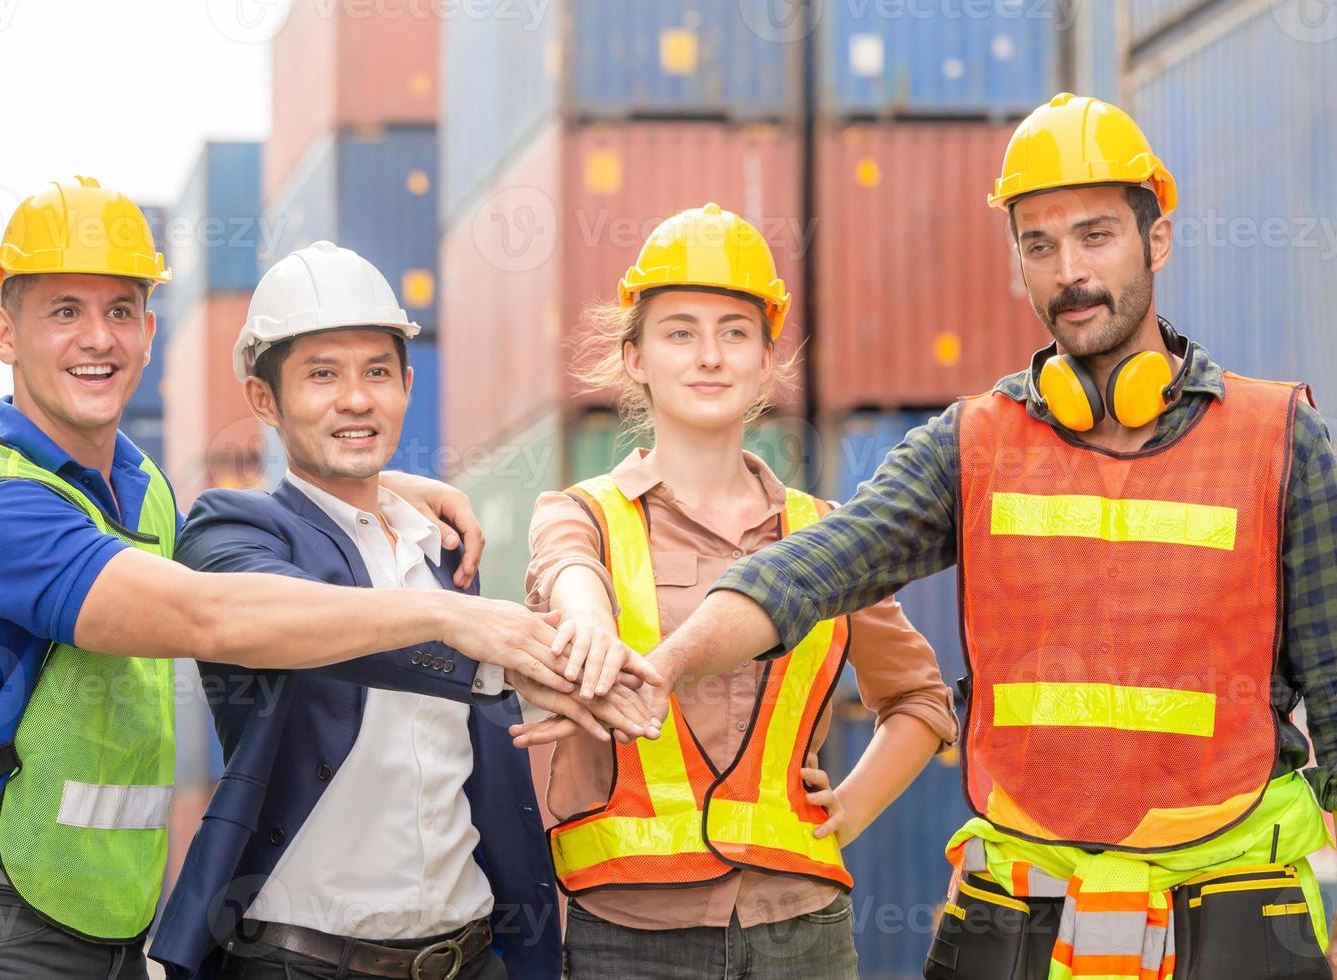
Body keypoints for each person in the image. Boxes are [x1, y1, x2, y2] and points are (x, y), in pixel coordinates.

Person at [530, 95, 1337, 980]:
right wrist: (671, 665)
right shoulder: (970, 445)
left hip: (1233, 919)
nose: (1069, 271)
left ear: (1158, 239)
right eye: (1038, 243)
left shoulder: (1279, 441)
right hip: (1023, 918)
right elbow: (812, 572)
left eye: (1095, 236)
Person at [0, 179, 604, 980]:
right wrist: (449, 616)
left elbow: (277, 543)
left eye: (120, 311)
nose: (99, 338)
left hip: (104, 917)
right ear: (3, 333)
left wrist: (382, 495)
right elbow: (212, 612)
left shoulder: (138, 486)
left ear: (150, 333)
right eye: (63, 311)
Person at [150, 241, 661, 980]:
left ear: (407, 384)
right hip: (300, 964)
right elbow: (307, 623)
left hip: (473, 956)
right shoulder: (234, 532)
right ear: (264, 400)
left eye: (377, 373)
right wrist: (463, 631)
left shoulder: (445, 550)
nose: (356, 399)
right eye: (322, 375)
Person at [518, 203, 958, 979]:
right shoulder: (581, 515)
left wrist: (850, 806)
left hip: (802, 930)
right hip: (628, 933)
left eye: (735, 331)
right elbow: (567, 573)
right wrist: (585, 622)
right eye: (679, 331)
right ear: (635, 359)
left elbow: (921, 701)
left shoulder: (828, 535)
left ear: (765, 360)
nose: (709, 355)